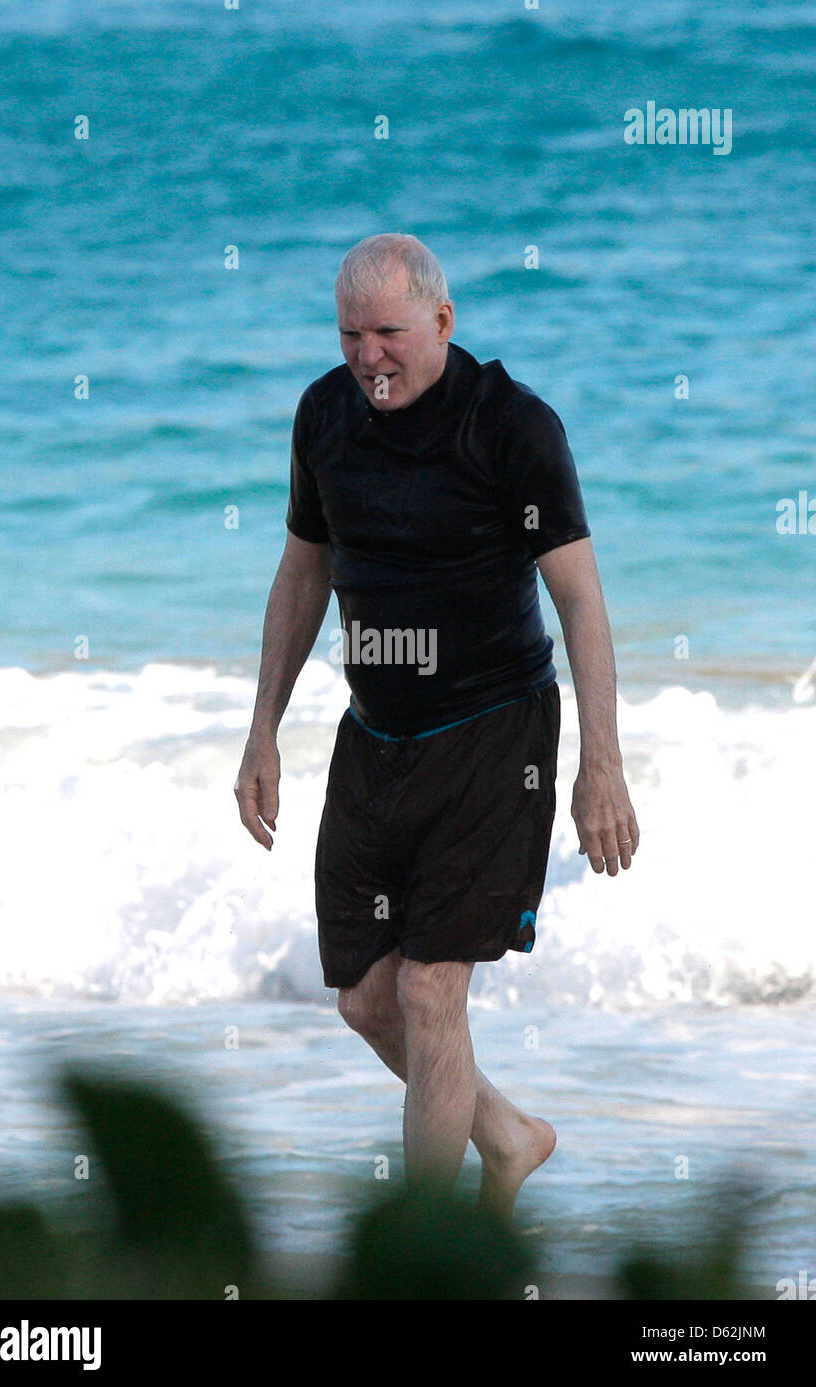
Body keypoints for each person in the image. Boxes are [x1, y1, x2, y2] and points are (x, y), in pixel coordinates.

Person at [235, 233, 639, 1219]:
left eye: (387, 333)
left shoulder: (511, 428)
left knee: (428, 994)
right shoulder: (322, 417)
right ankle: (506, 1139)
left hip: (496, 734)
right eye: (348, 335)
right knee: (367, 1002)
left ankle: (424, 1267)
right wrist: (261, 732)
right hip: (374, 738)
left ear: (442, 324)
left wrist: (600, 767)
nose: (368, 356)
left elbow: (580, 603)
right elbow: (301, 574)